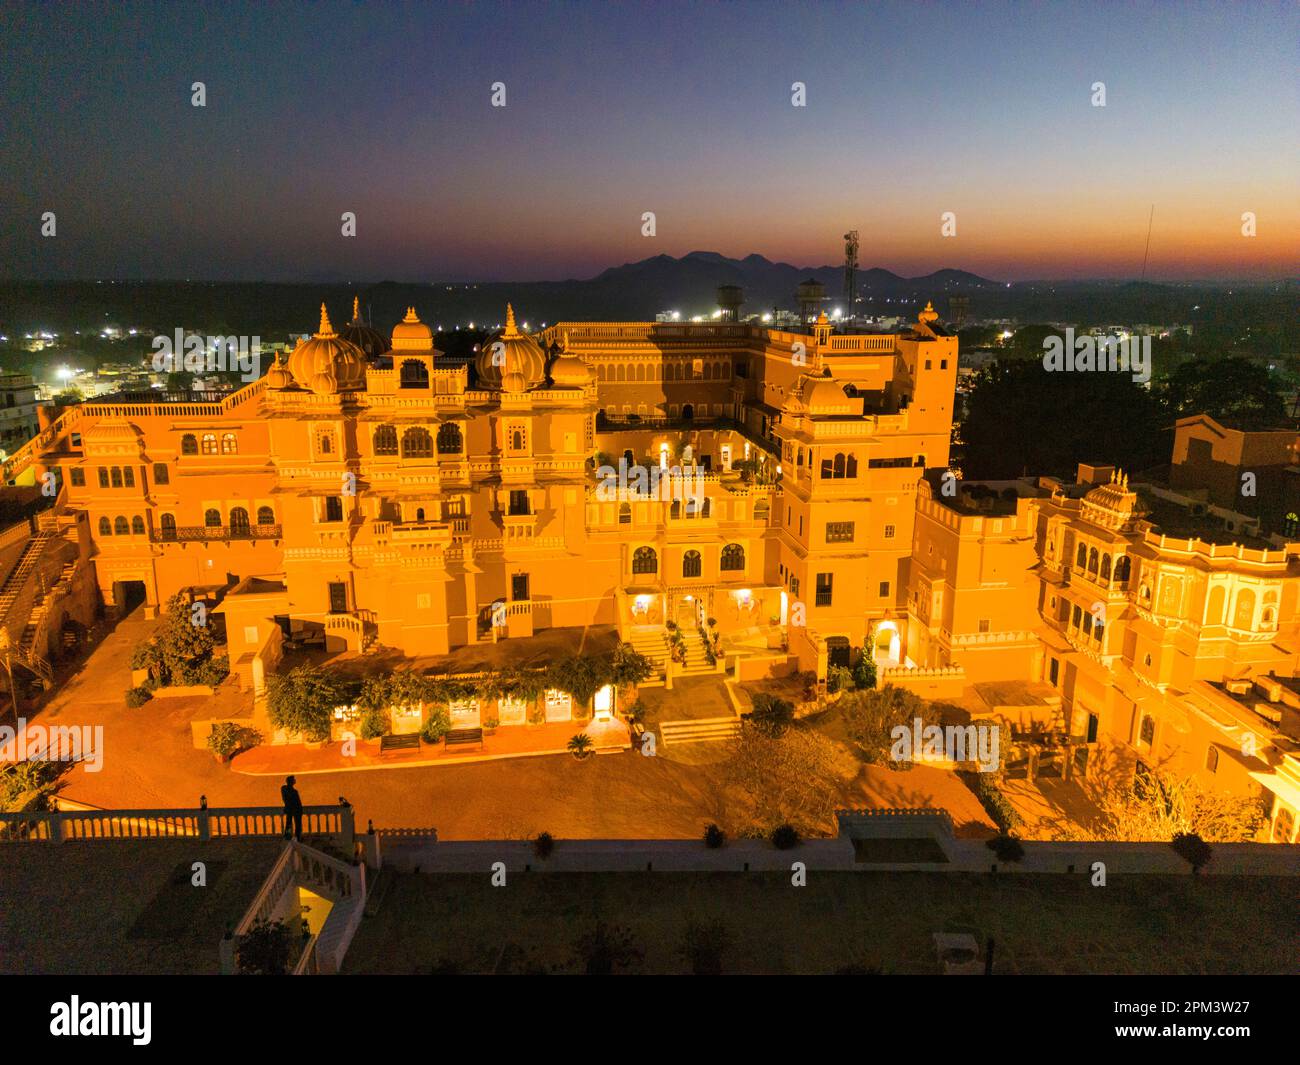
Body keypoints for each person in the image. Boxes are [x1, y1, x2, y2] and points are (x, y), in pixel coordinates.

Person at [281, 775, 303, 841]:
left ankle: (290, 836)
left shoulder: (285, 789)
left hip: (291, 809)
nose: (295, 780)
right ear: (291, 781)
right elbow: (297, 801)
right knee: (295, 824)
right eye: (294, 780)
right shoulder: (292, 791)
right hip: (295, 809)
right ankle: (296, 837)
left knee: (290, 824)